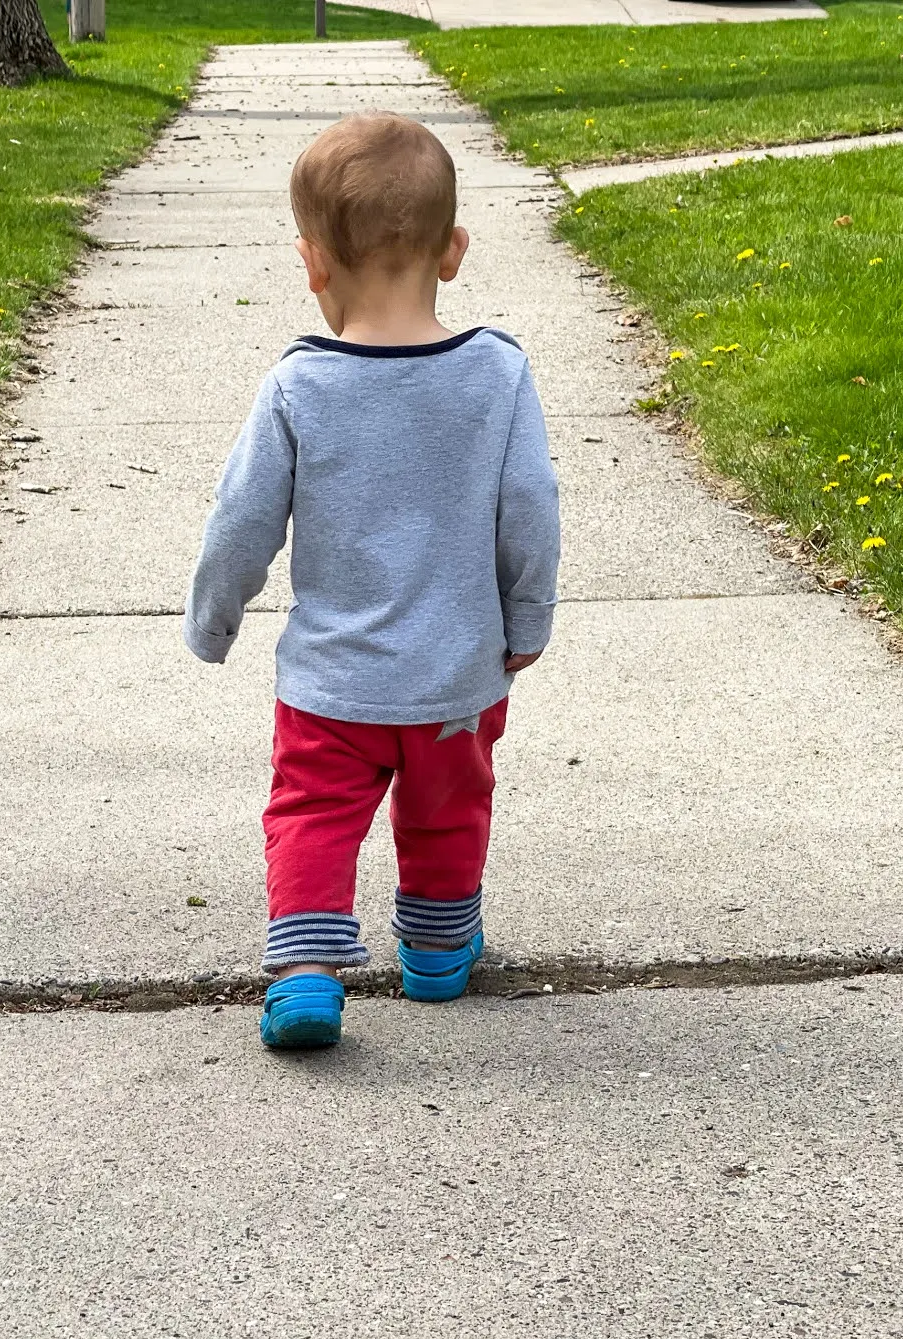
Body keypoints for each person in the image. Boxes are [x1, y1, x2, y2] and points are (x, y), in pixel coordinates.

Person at [182, 111, 561, 1051]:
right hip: (458, 677)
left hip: (332, 684)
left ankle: (307, 973)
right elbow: (531, 508)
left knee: (312, 814)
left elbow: (241, 522)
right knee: (449, 811)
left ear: (312, 264)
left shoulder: (298, 386)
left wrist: (214, 619)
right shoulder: (498, 375)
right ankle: (436, 952)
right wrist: (526, 619)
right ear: (454, 251)